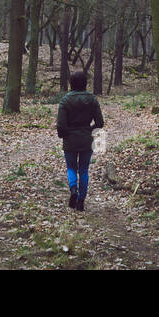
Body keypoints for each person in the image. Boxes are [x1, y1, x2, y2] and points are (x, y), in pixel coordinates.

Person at [56, 70, 104, 211]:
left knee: (71, 168)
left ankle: (73, 190)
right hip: (86, 139)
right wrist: (90, 130)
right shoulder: (92, 99)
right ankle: (81, 199)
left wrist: (63, 134)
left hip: (70, 139)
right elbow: (100, 122)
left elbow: (60, 124)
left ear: (71, 83)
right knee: (84, 170)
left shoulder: (65, 100)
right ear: (85, 83)